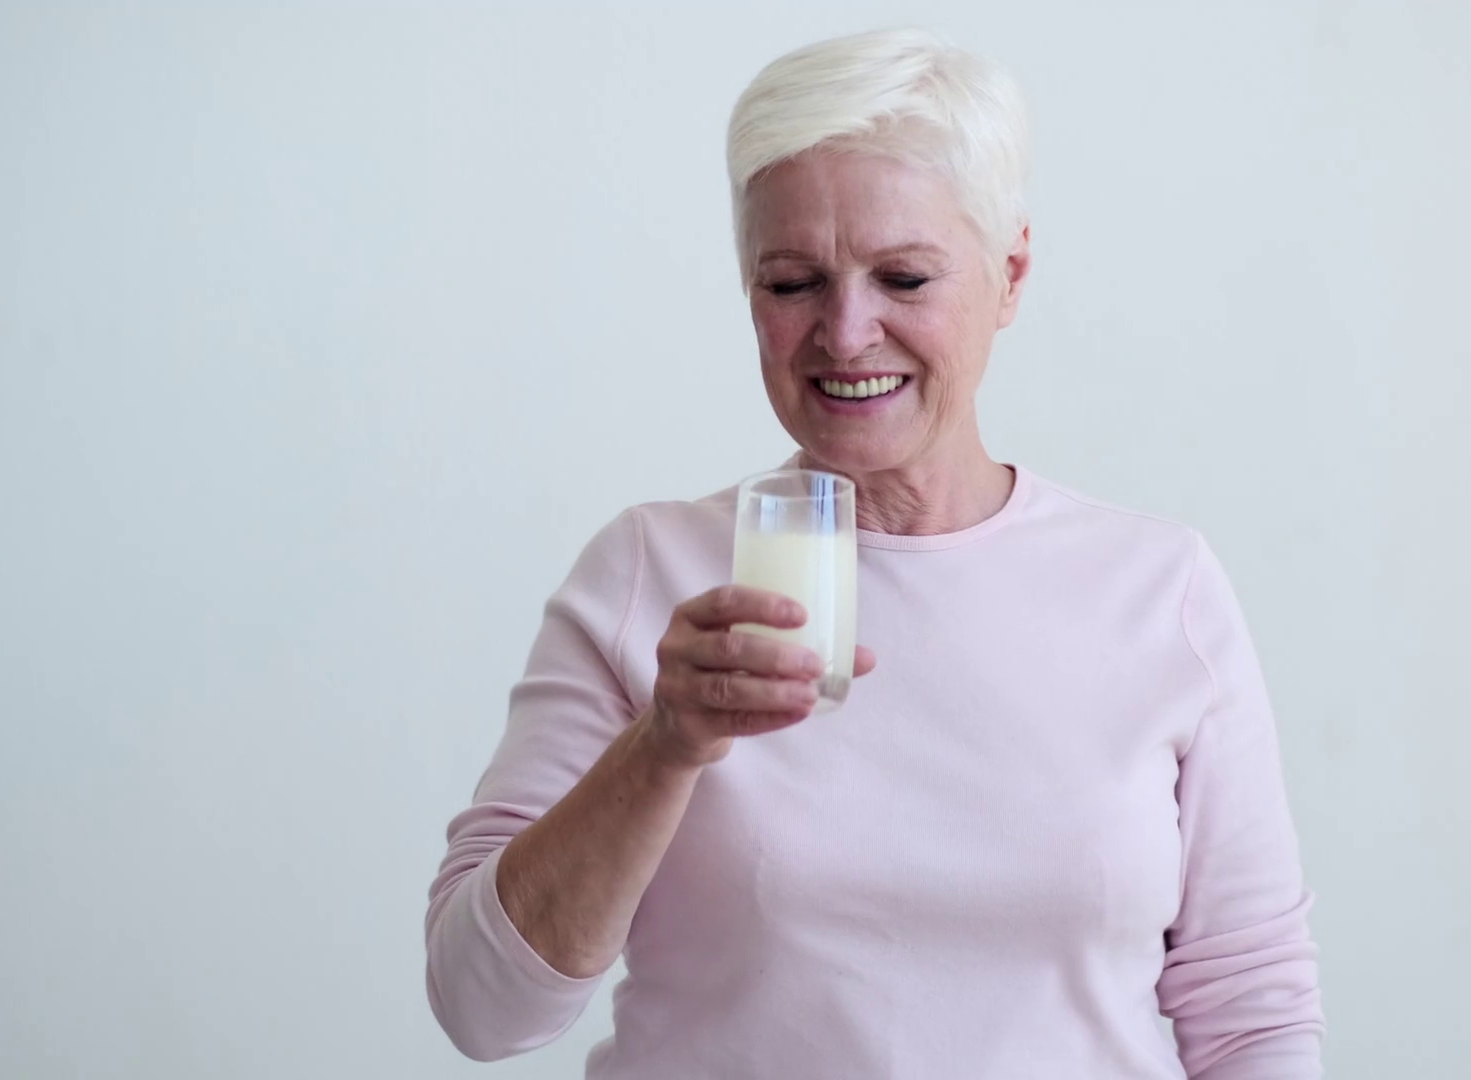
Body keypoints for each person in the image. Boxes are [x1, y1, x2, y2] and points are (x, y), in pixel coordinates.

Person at [425, 27, 1323, 1079]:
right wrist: (664, 743)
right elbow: (482, 1010)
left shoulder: (1158, 589)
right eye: (793, 281)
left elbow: (1251, 1013)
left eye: (902, 277)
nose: (846, 334)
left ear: (1011, 275)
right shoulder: (652, 575)